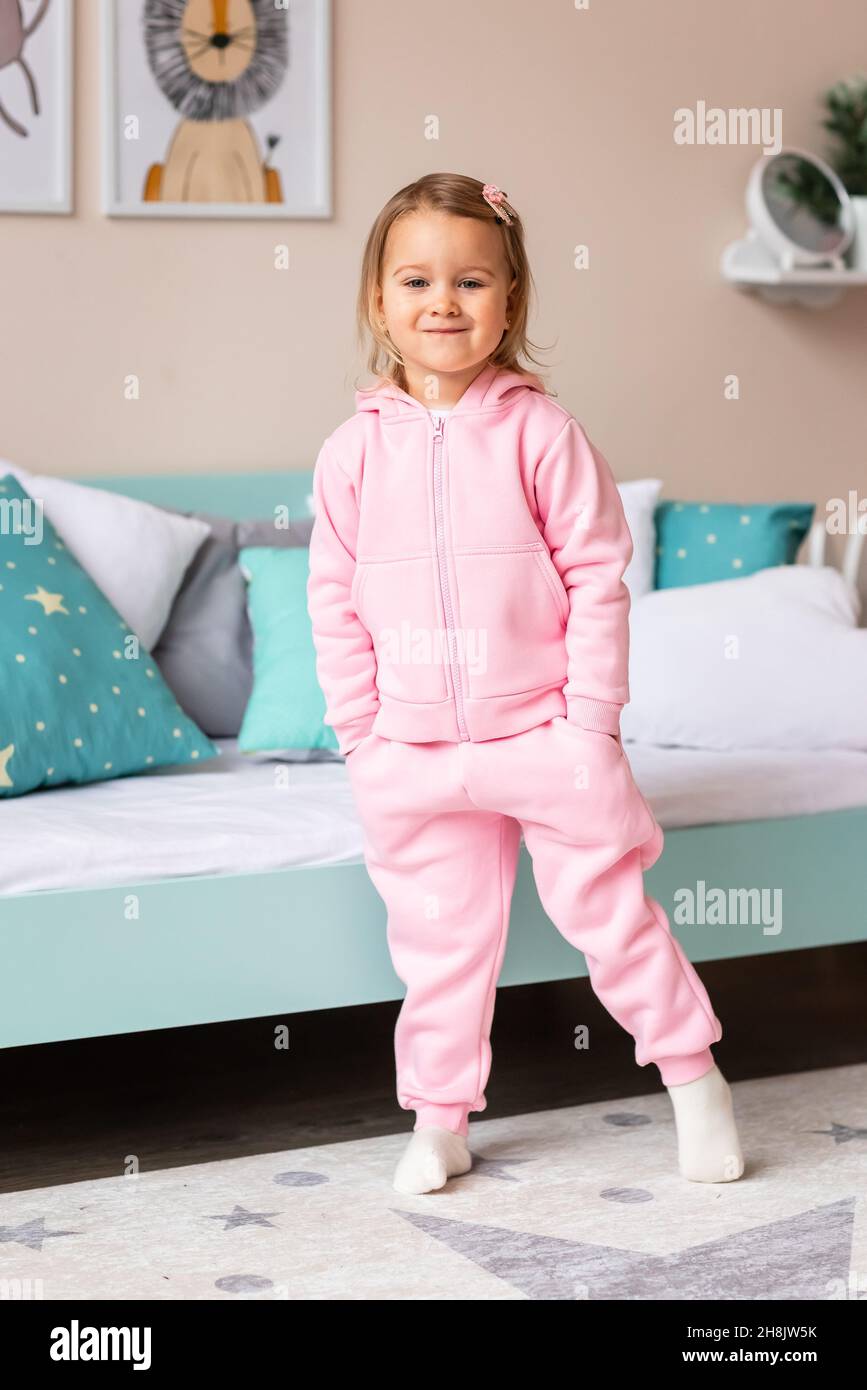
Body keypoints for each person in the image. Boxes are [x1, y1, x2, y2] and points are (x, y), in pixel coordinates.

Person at [306, 173, 744, 1195]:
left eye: (472, 280)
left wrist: (591, 723)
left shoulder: (541, 433)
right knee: (440, 948)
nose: (443, 301)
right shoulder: (351, 453)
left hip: (544, 734)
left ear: (512, 301)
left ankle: (694, 1078)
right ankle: (441, 1119)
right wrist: (361, 737)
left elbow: (599, 573)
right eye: (416, 279)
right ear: (380, 301)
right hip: (412, 749)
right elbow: (330, 601)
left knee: (614, 920)